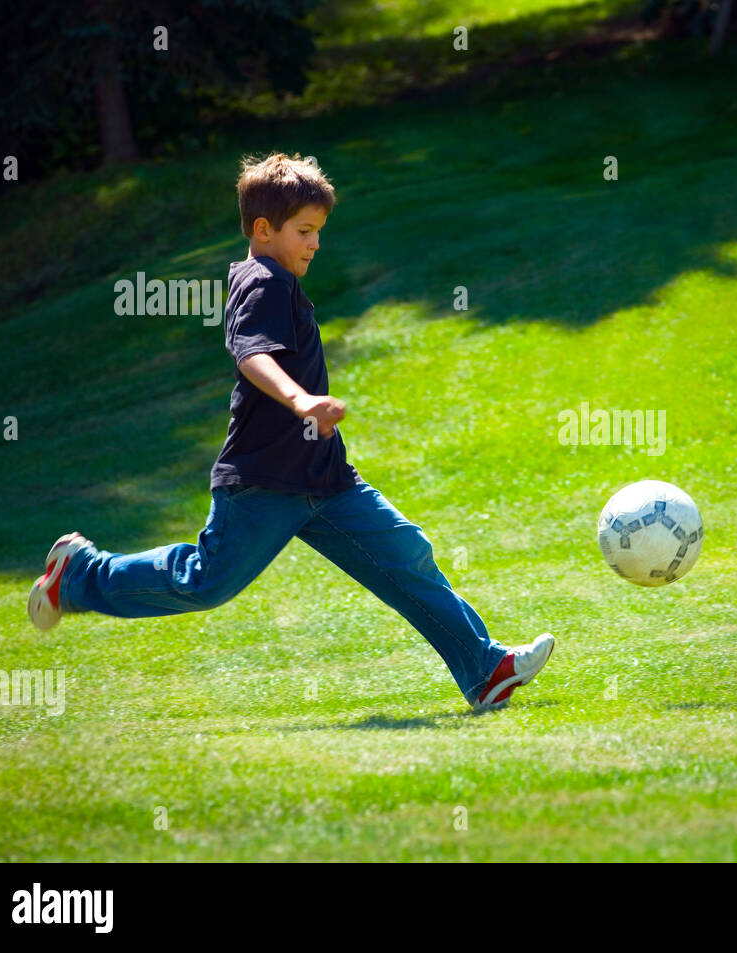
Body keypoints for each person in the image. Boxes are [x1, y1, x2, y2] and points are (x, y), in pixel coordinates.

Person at [27, 152, 553, 713]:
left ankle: (485, 668)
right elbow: (252, 354)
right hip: (266, 480)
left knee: (405, 555)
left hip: (324, 478)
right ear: (263, 229)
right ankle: (80, 574)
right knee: (206, 581)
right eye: (304, 231)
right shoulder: (262, 281)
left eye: (319, 232)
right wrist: (302, 400)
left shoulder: (279, 280)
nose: (315, 244)